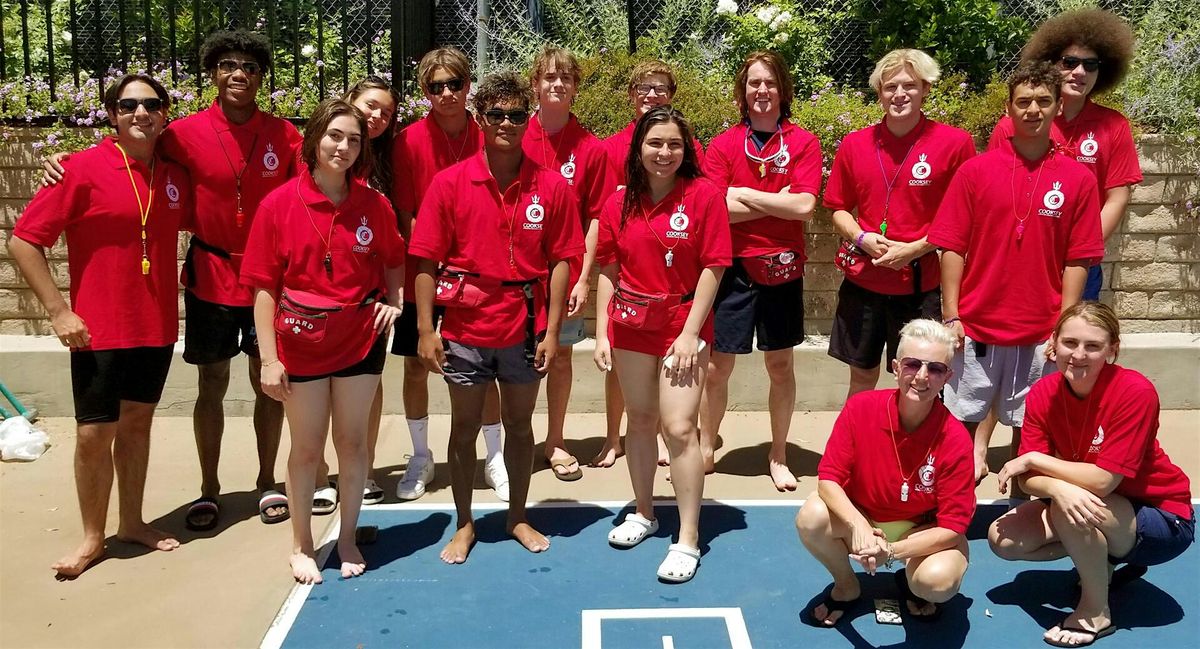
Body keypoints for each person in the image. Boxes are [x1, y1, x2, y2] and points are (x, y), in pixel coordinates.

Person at [43, 31, 303, 530]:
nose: (238, 73)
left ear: (261, 76)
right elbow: (126, 144)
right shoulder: (181, 132)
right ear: (212, 73)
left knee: (269, 383)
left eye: (249, 66)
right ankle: (209, 488)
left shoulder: (284, 136)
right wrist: (62, 159)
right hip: (210, 276)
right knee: (212, 382)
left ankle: (267, 482)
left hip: (270, 280)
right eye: (227, 64)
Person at [11, 73, 192, 577]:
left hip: (155, 326)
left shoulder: (174, 175)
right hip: (97, 330)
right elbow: (24, 242)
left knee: (138, 424)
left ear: (164, 114)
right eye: (129, 104)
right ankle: (93, 538)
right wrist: (57, 310)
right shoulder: (78, 169)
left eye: (152, 104)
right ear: (112, 114)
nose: (141, 113)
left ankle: (132, 522)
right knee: (95, 434)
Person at [410, 72, 584, 564]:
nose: (507, 123)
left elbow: (562, 261)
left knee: (521, 426)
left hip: (524, 329)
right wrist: (426, 329)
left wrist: (551, 331)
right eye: (497, 114)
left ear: (527, 119)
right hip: (465, 326)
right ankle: (464, 523)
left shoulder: (550, 185)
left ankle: (516, 515)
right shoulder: (450, 183)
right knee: (463, 428)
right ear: (480, 119)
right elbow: (424, 260)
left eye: (516, 114)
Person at [241, 99, 405, 584]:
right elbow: (264, 288)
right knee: (307, 449)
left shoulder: (374, 204)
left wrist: (394, 300)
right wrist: (268, 359)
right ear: (315, 140)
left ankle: (348, 535)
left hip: (361, 339)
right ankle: (302, 544)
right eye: (335, 136)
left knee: (353, 444)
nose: (344, 147)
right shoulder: (278, 205)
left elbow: (395, 258)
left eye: (354, 139)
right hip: (302, 344)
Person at [927, 61, 1105, 488]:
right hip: (978, 328)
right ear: (1008, 110)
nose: (1033, 110)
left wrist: (1064, 325)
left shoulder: (1078, 179)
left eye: (1043, 101)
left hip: (1040, 329)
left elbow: (1078, 259)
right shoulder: (975, 171)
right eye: (1023, 102)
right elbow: (951, 244)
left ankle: (1025, 508)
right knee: (960, 421)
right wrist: (952, 315)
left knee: (1031, 433)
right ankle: (953, 504)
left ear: (1059, 107)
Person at [988, 302, 1193, 647]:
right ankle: (1102, 559)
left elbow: (1102, 481)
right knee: (1003, 539)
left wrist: (1039, 461)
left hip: (1163, 518)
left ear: (1112, 349)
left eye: (1093, 346)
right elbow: (1027, 480)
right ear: (1054, 342)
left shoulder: (1134, 391)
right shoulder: (1043, 392)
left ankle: (1096, 611)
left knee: (1074, 507)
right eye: (1070, 343)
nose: (1078, 355)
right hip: (1101, 507)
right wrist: (1057, 486)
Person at [594, 106, 731, 583]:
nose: (664, 153)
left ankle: (688, 538)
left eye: (674, 144)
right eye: (655, 143)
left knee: (678, 427)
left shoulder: (704, 196)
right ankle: (645, 513)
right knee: (641, 419)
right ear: (638, 149)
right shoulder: (618, 203)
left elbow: (715, 266)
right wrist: (601, 331)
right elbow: (608, 270)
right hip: (631, 325)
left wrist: (692, 332)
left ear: (685, 150)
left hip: (682, 325)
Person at [796, 319, 975, 626]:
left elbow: (951, 528)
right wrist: (858, 526)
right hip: (864, 516)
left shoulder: (956, 439)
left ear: (948, 376)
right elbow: (829, 480)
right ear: (895, 367)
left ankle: (912, 579)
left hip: (922, 528)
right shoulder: (861, 408)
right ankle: (847, 586)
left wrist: (890, 551)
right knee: (811, 517)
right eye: (912, 364)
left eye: (935, 369)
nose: (921, 376)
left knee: (938, 583)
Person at [390, 48, 509, 502]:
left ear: (467, 87)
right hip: (425, 269)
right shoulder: (407, 142)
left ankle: (495, 457)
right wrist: (438, 258)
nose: (446, 94)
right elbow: (407, 213)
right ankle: (421, 457)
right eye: (435, 87)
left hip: (481, 271)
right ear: (425, 93)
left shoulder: (489, 133)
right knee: (418, 365)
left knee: (486, 369)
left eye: (454, 84)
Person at [700, 51, 822, 490]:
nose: (762, 91)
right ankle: (705, 446)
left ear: (782, 89)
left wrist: (743, 194)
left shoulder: (804, 143)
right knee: (717, 367)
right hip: (731, 269)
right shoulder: (724, 145)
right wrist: (775, 201)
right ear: (743, 91)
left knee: (781, 366)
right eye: (753, 83)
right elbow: (714, 213)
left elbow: (805, 207)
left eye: (769, 83)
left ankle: (778, 453)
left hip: (783, 270)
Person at [824, 49, 975, 399]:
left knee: (921, 379)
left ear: (925, 89)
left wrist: (916, 249)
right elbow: (837, 207)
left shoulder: (955, 144)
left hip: (920, 287)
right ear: (879, 93)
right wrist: (861, 237)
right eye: (890, 86)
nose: (900, 94)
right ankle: (858, 447)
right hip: (864, 282)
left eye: (910, 85)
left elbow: (962, 215)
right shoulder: (854, 143)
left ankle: (916, 453)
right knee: (861, 377)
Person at [989, 9, 1141, 302]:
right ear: (1050, 64)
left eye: (1091, 65)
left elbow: (1117, 196)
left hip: (1081, 263)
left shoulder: (1114, 125)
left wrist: (1083, 247)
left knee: (1073, 342)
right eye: (1069, 62)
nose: (1080, 72)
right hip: (1022, 258)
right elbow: (997, 194)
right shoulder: (1012, 124)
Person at [596, 60, 705, 469]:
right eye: (644, 87)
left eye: (661, 88)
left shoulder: (682, 140)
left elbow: (701, 196)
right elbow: (606, 215)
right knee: (620, 367)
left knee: (675, 375)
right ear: (631, 94)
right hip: (630, 279)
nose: (652, 95)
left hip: (672, 279)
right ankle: (614, 437)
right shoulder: (612, 147)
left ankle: (658, 435)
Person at [523, 46, 615, 481]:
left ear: (575, 87)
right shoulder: (514, 135)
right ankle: (514, 441)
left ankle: (555, 440)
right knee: (511, 361)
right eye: (549, 77)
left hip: (565, 274)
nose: (557, 84)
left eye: (566, 78)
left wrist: (584, 277)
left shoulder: (591, 149)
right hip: (516, 272)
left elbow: (597, 216)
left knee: (560, 358)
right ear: (535, 85)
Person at [312, 76, 402, 513]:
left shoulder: (382, 163)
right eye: (371, 106)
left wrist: (394, 297)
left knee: (365, 389)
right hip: (312, 302)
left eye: (386, 112)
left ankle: (361, 471)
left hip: (366, 301)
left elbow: (391, 243)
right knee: (315, 393)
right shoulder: (315, 156)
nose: (377, 117)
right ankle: (316, 474)